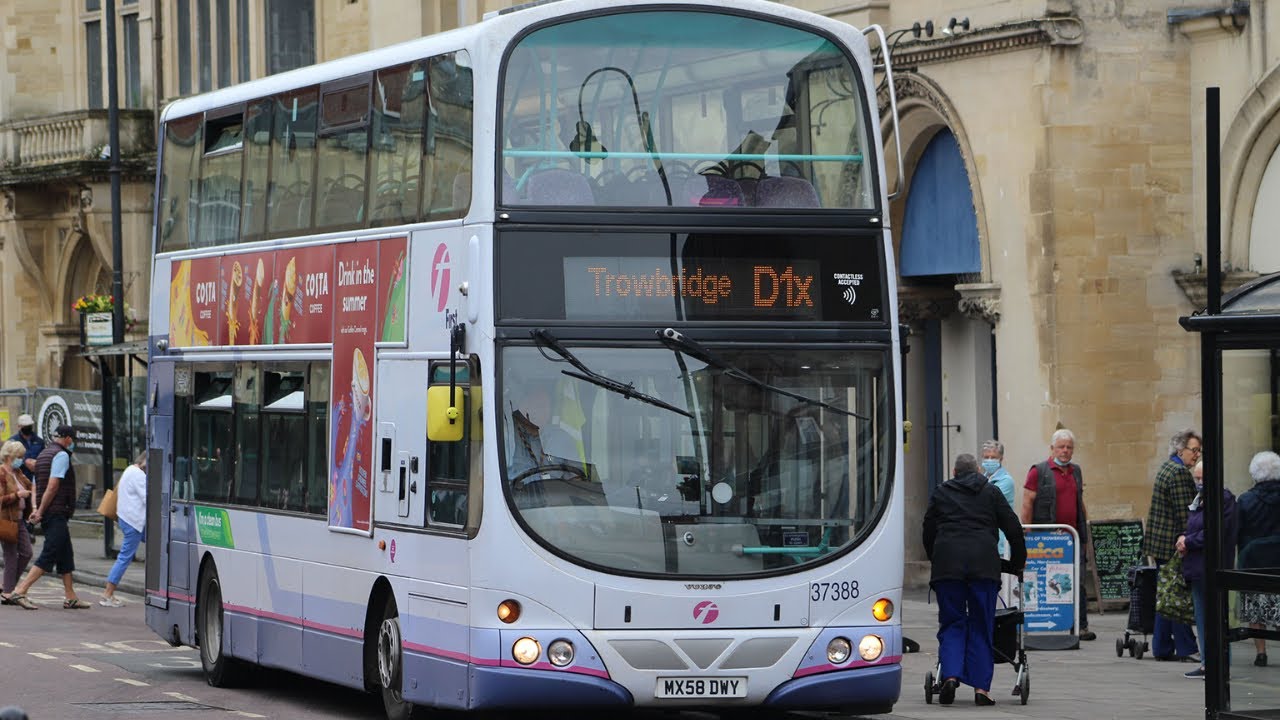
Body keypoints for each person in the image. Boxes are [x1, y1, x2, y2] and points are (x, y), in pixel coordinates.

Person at [924, 453, 1027, 707]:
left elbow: (927, 530)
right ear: (979, 471)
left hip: (948, 565)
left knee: (952, 623)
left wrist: (935, 558)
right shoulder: (991, 493)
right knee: (982, 625)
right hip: (983, 565)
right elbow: (1013, 528)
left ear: (954, 472)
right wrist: (1017, 563)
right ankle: (981, 689)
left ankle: (949, 676)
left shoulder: (941, 492)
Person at [1020, 428, 1095, 641]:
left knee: (1077, 580)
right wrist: (1027, 532)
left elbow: (1079, 502)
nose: (1065, 451)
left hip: (1072, 538)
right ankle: (1043, 621)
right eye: (1061, 447)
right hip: (1047, 538)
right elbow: (1027, 503)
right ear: (1052, 449)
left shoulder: (1076, 471)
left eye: (1069, 447)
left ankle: (1081, 626)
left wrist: (1084, 531)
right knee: (1047, 578)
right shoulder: (1039, 471)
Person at [8, 425, 91, 610]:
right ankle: (20, 590)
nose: (72, 443)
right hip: (56, 512)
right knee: (50, 552)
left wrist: (37, 508)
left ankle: (71, 597)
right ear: (68, 439)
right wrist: (42, 510)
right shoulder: (61, 455)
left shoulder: (44, 455)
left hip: (50, 512)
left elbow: (37, 485)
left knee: (65, 554)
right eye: (72, 440)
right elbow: (53, 486)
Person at [1142, 429, 1202, 661]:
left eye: (1199, 451)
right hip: (1171, 544)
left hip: (1159, 543)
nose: (1196, 455)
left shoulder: (1168, 466)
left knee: (1166, 595)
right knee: (1175, 595)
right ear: (1181, 450)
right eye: (1193, 450)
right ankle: (1187, 648)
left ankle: (1163, 647)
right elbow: (1184, 513)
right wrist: (1189, 540)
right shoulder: (1179, 473)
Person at [1178, 459, 1237, 679]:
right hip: (1197, 566)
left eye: (1203, 478)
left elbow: (1215, 530)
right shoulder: (1201, 498)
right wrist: (1183, 538)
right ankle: (1207, 662)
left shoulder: (1223, 498)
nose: (1200, 482)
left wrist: (1189, 541)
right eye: (1197, 478)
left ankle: (1218, 663)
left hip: (1211, 566)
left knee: (1215, 618)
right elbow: (1195, 526)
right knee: (1203, 618)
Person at [1236, 450, 1280, 668]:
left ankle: (1261, 652)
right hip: (1278, 563)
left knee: (1256, 610)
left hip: (1253, 564)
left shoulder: (1245, 500)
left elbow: (1237, 531)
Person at [100, 451, 148, 607]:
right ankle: (108, 594)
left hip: (126, 518)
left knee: (159, 546)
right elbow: (148, 498)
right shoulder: (139, 476)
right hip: (134, 522)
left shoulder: (129, 470)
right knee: (125, 557)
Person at [0, 440, 35, 609]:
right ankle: (8, 592)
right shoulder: (1, 473)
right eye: (18, 456)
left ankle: (8, 587)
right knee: (11, 555)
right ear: (9, 456)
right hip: (6, 520)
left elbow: (31, 486)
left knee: (27, 552)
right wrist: (17, 495)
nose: (21, 459)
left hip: (20, 519)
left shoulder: (18, 472)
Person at [7, 412, 44, 485]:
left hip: (37, 479)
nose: (27, 428)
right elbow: (8, 460)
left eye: (29, 426)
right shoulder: (12, 441)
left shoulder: (39, 441)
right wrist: (25, 462)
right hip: (19, 480)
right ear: (19, 426)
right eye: (25, 426)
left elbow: (44, 456)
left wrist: (37, 463)